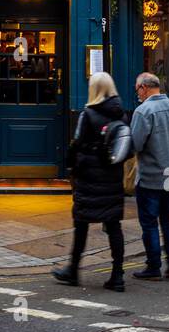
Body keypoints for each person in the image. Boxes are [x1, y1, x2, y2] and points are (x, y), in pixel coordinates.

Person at [52, 72, 127, 292]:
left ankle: (73, 271)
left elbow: (77, 144)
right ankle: (117, 276)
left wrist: (70, 167)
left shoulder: (88, 114)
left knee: (81, 224)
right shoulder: (121, 115)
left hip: (89, 177)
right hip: (112, 178)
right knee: (114, 226)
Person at [130, 72, 169, 280]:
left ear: (144, 88)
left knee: (149, 223)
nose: (137, 93)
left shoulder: (143, 111)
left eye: (137, 89)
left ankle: (153, 267)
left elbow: (135, 144)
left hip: (151, 176)